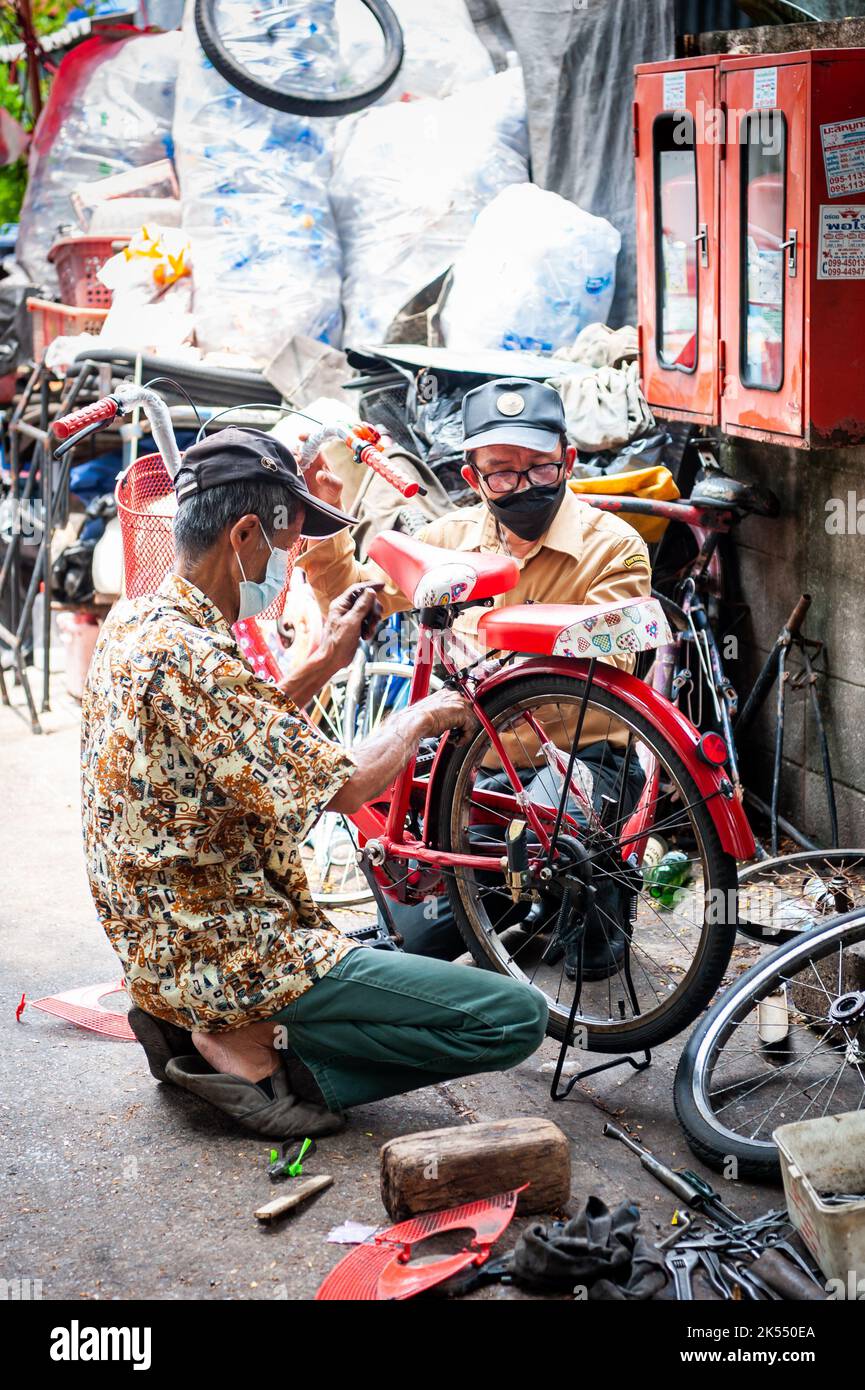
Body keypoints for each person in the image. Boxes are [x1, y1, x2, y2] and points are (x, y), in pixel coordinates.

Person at [80, 427, 547, 1141]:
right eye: (290, 543)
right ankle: (261, 1062)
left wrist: (324, 660)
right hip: (230, 948)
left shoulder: (141, 621)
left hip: (163, 946)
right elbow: (344, 789)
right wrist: (419, 717)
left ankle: (210, 1027)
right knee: (516, 1018)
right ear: (243, 534)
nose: (292, 562)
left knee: (403, 969)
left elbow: (240, 739)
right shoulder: (191, 656)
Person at [299, 378, 653, 968]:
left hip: (580, 758)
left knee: (578, 923)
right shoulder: (446, 542)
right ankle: (494, 906)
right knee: (425, 931)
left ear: (568, 460)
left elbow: (601, 666)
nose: (524, 485)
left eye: (540, 467)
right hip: (473, 759)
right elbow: (355, 602)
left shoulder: (615, 547)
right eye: (502, 473)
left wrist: (485, 662)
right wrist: (325, 527)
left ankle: (579, 897)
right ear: (472, 478)